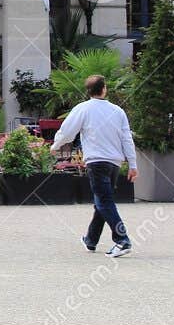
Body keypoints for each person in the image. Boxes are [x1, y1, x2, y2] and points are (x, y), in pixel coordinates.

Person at [51, 74, 136, 257]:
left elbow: (67, 131)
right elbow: (127, 138)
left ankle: (122, 240)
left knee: (104, 201)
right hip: (114, 163)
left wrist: (55, 145)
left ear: (88, 91)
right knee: (102, 201)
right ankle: (91, 239)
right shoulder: (118, 111)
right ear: (104, 89)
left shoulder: (83, 109)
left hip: (96, 162)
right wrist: (133, 164)